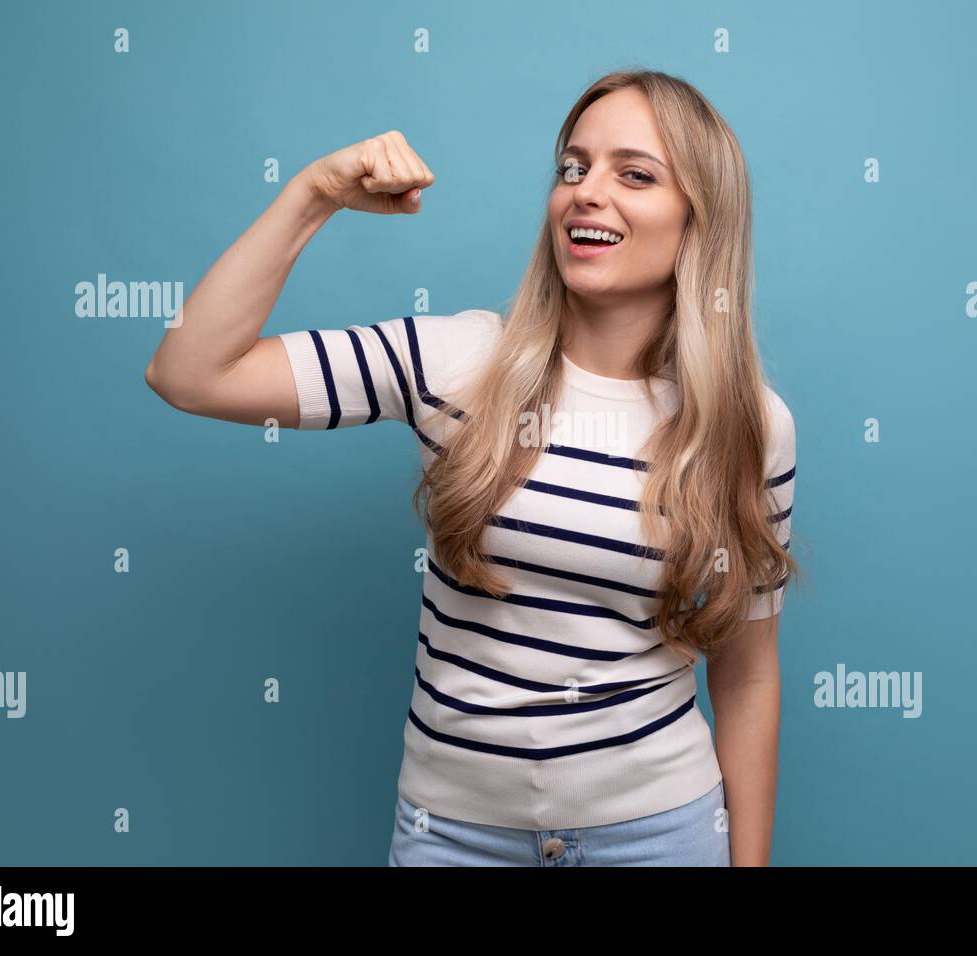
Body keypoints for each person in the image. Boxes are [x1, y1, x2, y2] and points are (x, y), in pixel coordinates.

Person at [145, 69, 798, 867]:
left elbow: (747, 677)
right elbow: (188, 372)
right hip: (450, 839)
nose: (587, 192)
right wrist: (314, 193)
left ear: (701, 220)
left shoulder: (750, 427)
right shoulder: (455, 362)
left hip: (661, 836)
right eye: (572, 167)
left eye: (634, 174)